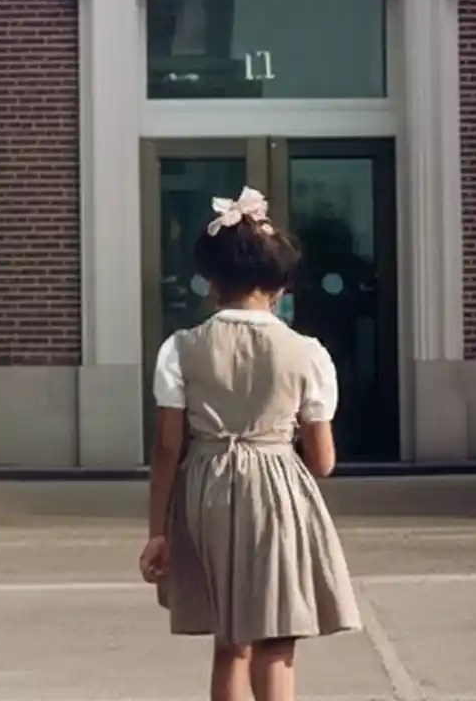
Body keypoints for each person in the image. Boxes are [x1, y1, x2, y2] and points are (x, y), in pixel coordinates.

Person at [139, 187, 361, 701]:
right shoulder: (307, 353)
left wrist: (158, 532)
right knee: (276, 641)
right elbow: (323, 461)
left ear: (211, 282)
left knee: (230, 641)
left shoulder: (180, 348)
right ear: (279, 283)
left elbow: (167, 449)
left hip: (205, 488)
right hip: (276, 488)